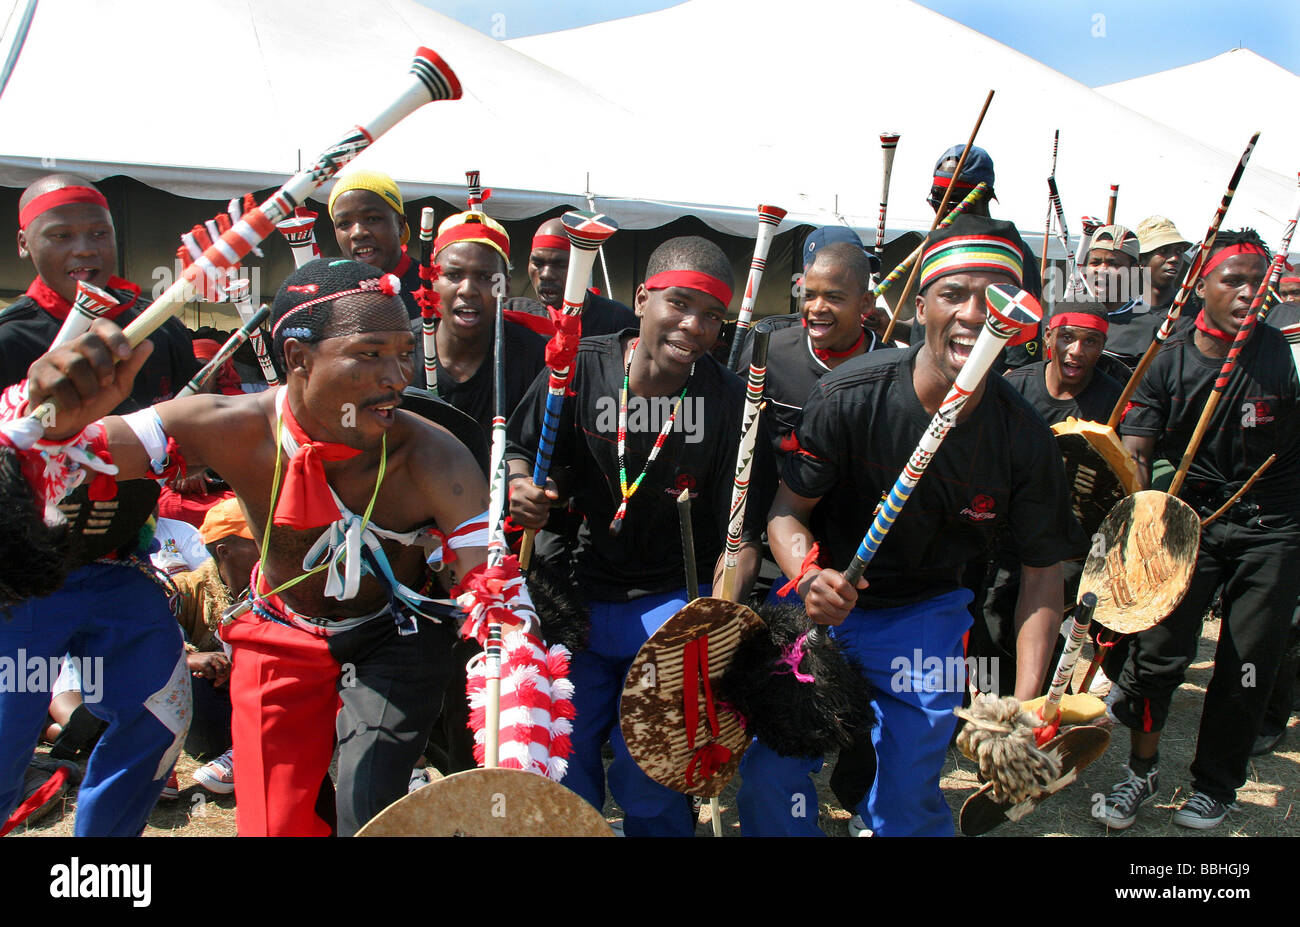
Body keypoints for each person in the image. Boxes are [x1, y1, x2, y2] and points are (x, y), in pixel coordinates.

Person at [16, 257, 499, 837]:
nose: (396, 376)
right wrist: (49, 417)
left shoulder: (434, 453)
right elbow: (70, 451)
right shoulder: (229, 424)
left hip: (395, 632)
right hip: (280, 629)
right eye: (370, 354)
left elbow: (489, 586)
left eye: (403, 351)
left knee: (369, 809)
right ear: (297, 359)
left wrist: (514, 686)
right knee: (273, 824)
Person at [735, 215, 1083, 837]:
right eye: (953, 295)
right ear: (919, 306)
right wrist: (809, 575)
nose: (974, 316)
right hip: (822, 608)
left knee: (907, 791)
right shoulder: (850, 396)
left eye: (995, 299)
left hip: (927, 614)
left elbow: (1040, 576)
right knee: (771, 774)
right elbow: (787, 512)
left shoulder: (1024, 440)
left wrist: (1021, 706)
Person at [506, 236, 775, 836]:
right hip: (578, 595)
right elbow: (522, 451)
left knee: (650, 768)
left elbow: (746, 529)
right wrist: (523, 488)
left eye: (711, 317)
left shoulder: (734, 402)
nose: (694, 327)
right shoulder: (579, 363)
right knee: (565, 756)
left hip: (673, 603)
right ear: (641, 299)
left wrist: (722, 616)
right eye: (679, 305)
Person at [0, 174, 198, 837]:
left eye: (98, 232)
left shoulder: (155, 331)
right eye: (61, 235)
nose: (85, 248)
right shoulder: (9, 337)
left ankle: (101, 864)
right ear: (24, 243)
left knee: (160, 718)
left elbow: (178, 432)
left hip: (121, 568)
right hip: (21, 586)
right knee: (3, 739)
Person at [1102, 229, 1300, 831]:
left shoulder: (1287, 348)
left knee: (1245, 663)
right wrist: (1146, 519)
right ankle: (1141, 770)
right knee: (1158, 657)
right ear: (1202, 286)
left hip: (1275, 526)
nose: (1248, 292)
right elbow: (1135, 449)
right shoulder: (1168, 358)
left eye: (1257, 279)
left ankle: (1216, 785)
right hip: (1191, 521)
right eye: (1232, 280)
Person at [974, 302, 1123, 694]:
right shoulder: (1015, 387)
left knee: (1047, 621)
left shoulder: (1115, 401)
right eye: (1068, 338)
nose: (1077, 351)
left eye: (1091, 342)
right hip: (1008, 530)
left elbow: (1127, 477)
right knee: (991, 618)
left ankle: (1037, 706)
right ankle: (988, 706)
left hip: (1070, 541)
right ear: (1048, 339)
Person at [410, 211, 547, 448]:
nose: (468, 290)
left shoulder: (535, 359)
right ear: (432, 280)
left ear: (505, 286)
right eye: (453, 275)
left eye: (485, 277)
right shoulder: (400, 351)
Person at [739, 241, 879, 464]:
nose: (816, 307)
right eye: (809, 295)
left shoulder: (889, 366)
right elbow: (737, 425)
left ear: (865, 303)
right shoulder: (770, 352)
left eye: (834, 297)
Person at [926, 145, 1041, 368]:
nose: (942, 210)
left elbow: (1020, 351)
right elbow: (929, 327)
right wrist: (891, 323)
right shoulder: (937, 243)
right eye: (936, 199)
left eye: (954, 200)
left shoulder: (1012, 252)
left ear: (985, 197)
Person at [504, 217, 638, 336]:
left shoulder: (619, 321)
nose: (546, 275)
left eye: (560, 264)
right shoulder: (512, 315)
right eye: (538, 263)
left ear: (581, 268)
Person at [328, 170, 423, 318]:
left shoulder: (434, 289)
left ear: (400, 225)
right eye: (344, 223)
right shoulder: (328, 298)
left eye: (372, 219)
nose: (358, 233)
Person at [1082, 224, 1159, 374]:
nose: (1102, 270)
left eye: (1113, 264)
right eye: (1095, 263)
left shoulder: (1150, 329)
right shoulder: (1069, 316)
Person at [1136, 216, 1190, 310]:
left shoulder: (1193, 313)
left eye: (1179, 251)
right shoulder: (1121, 313)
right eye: (1163, 251)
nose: (1174, 258)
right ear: (1141, 259)